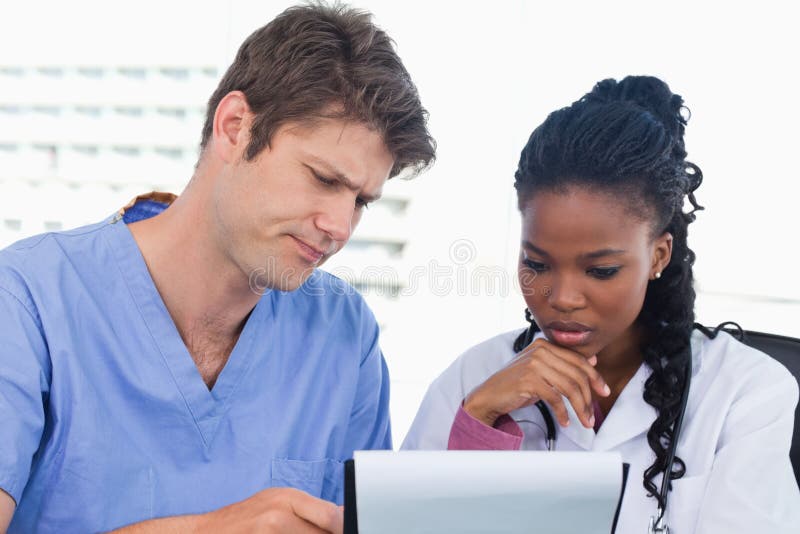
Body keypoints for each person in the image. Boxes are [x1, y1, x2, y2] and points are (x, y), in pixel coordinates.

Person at [0, 4, 435, 533]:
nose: (340, 226)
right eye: (323, 179)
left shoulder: (344, 335)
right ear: (235, 128)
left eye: (362, 200)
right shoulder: (28, 301)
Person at [402, 76, 800, 532]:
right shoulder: (473, 379)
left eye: (601, 271)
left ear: (658, 256)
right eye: (537, 263)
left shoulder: (744, 392)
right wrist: (478, 422)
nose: (562, 299)